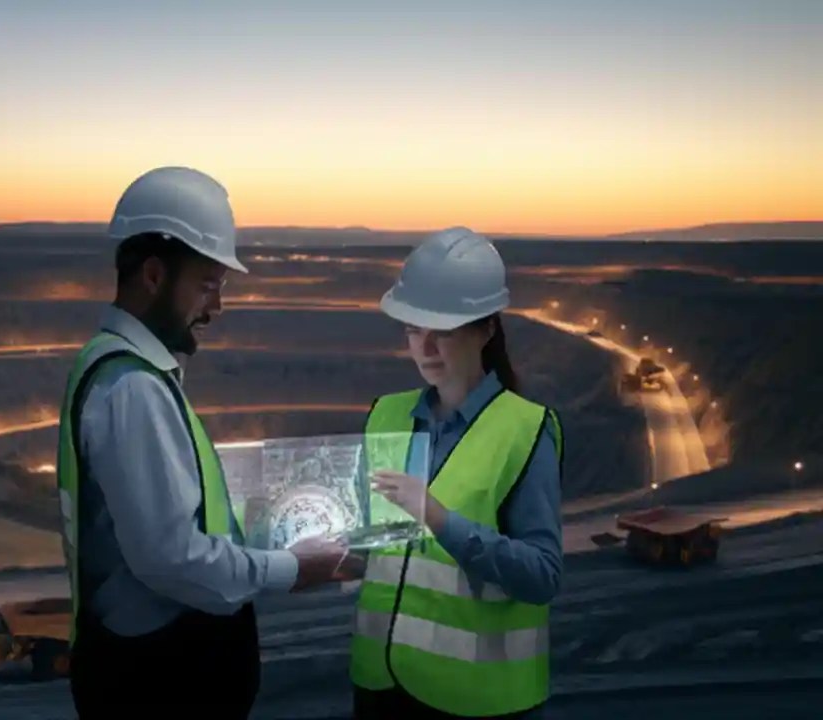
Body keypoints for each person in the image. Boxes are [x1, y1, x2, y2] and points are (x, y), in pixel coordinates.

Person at [55, 166, 348, 717]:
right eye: (208, 285)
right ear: (153, 276)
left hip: (147, 669)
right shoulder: (133, 389)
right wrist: (292, 567)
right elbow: (170, 559)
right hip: (161, 684)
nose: (215, 308)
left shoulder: (114, 366)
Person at [348, 226, 564, 719]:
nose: (424, 348)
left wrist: (441, 519)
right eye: (412, 330)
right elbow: (376, 553)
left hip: (477, 701)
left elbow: (543, 576)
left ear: (487, 329)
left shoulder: (526, 431)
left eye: (441, 332)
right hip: (380, 687)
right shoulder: (386, 417)